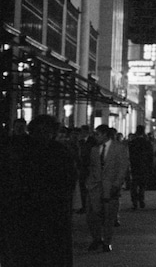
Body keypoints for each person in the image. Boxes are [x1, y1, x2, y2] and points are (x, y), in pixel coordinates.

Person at [0, 114, 77, 266]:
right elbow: (68, 183)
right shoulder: (59, 152)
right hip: (49, 214)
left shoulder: (16, 148)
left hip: (22, 213)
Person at [86, 125, 129, 252]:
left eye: (98, 134)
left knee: (109, 216)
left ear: (105, 135)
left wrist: (117, 184)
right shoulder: (94, 149)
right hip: (95, 186)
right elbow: (92, 167)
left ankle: (107, 241)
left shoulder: (119, 148)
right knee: (93, 215)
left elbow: (122, 168)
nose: (96, 137)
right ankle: (96, 238)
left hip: (111, 186)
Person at [128, 124, 156, 210]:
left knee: (134, 184)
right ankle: (141, 199)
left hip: (135, 165)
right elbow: (151, 155)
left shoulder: (132, 143)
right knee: (142, 185)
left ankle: (134, 201)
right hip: (144, 166)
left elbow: (129, 155)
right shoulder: (147, 143)